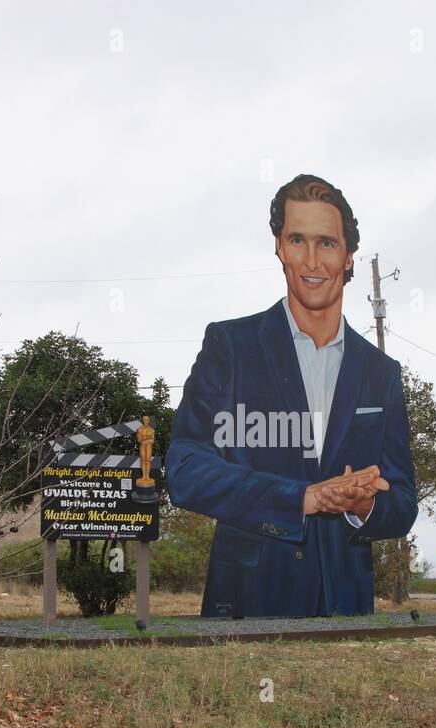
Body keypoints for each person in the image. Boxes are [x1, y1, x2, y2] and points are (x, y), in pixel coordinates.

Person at [167, 173, 417, 616]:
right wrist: (302, 497)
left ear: (349, 256)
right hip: (246, 606)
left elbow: (402, 503)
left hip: (345, 612)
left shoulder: (382, 373)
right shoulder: (229, 346)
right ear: (279, 248)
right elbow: (185, 469)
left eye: (326, 243)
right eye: (297, 240)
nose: (311, 261)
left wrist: (365, 504)